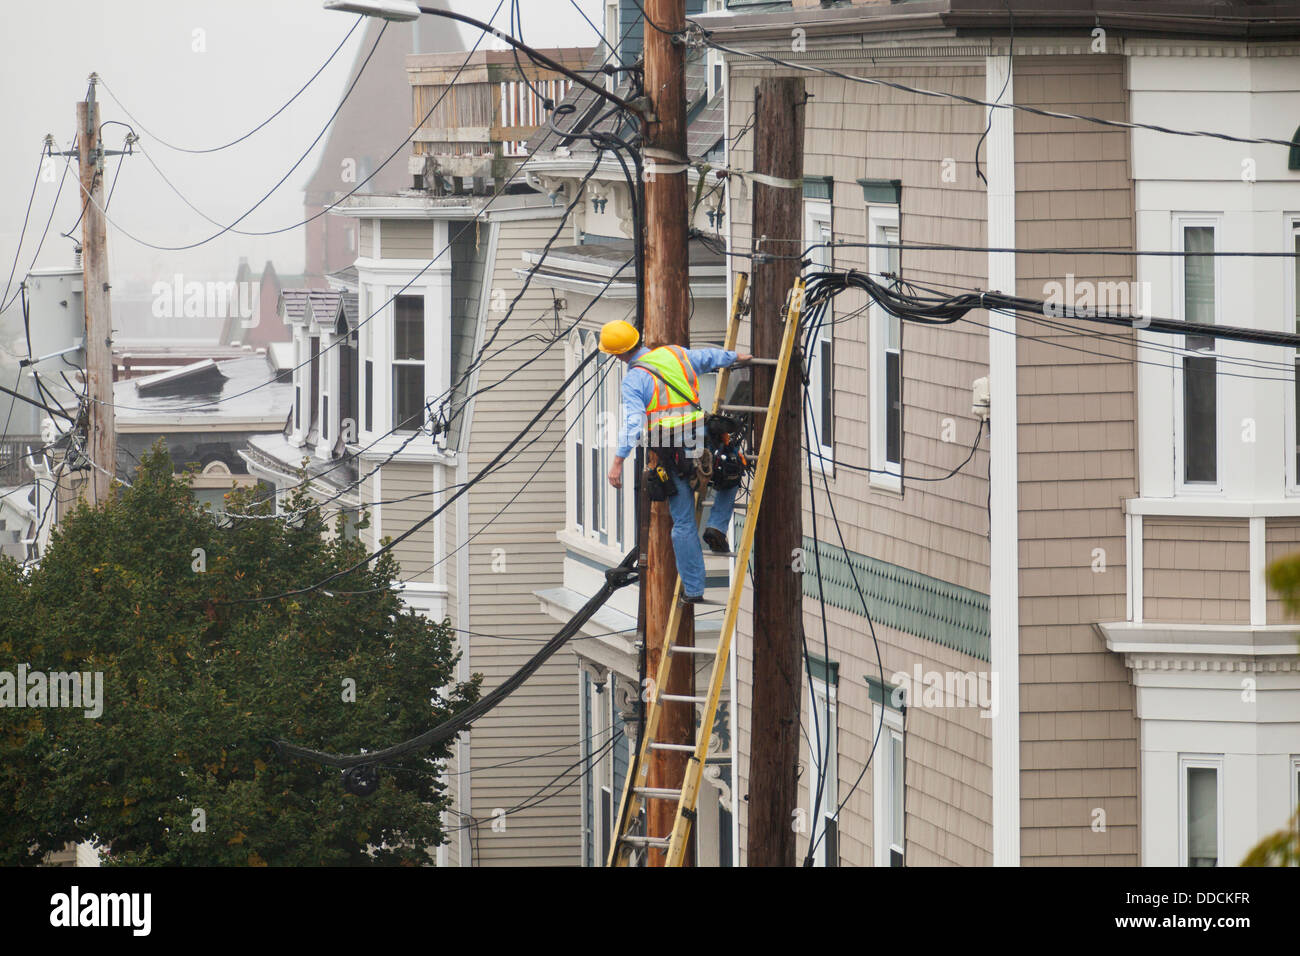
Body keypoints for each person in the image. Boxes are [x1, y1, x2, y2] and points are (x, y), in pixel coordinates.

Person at [600, 319, 751, 605]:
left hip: (671, 448)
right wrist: (736, 357)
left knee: (682, 522)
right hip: (700, 436)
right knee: (731, 473)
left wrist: (618, 460)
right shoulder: (674, 353)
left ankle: (694, 589)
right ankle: (717, 525)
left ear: (617, 354)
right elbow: (708, 358)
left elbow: (634, 422)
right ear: (637, 339)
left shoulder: (634, 380)